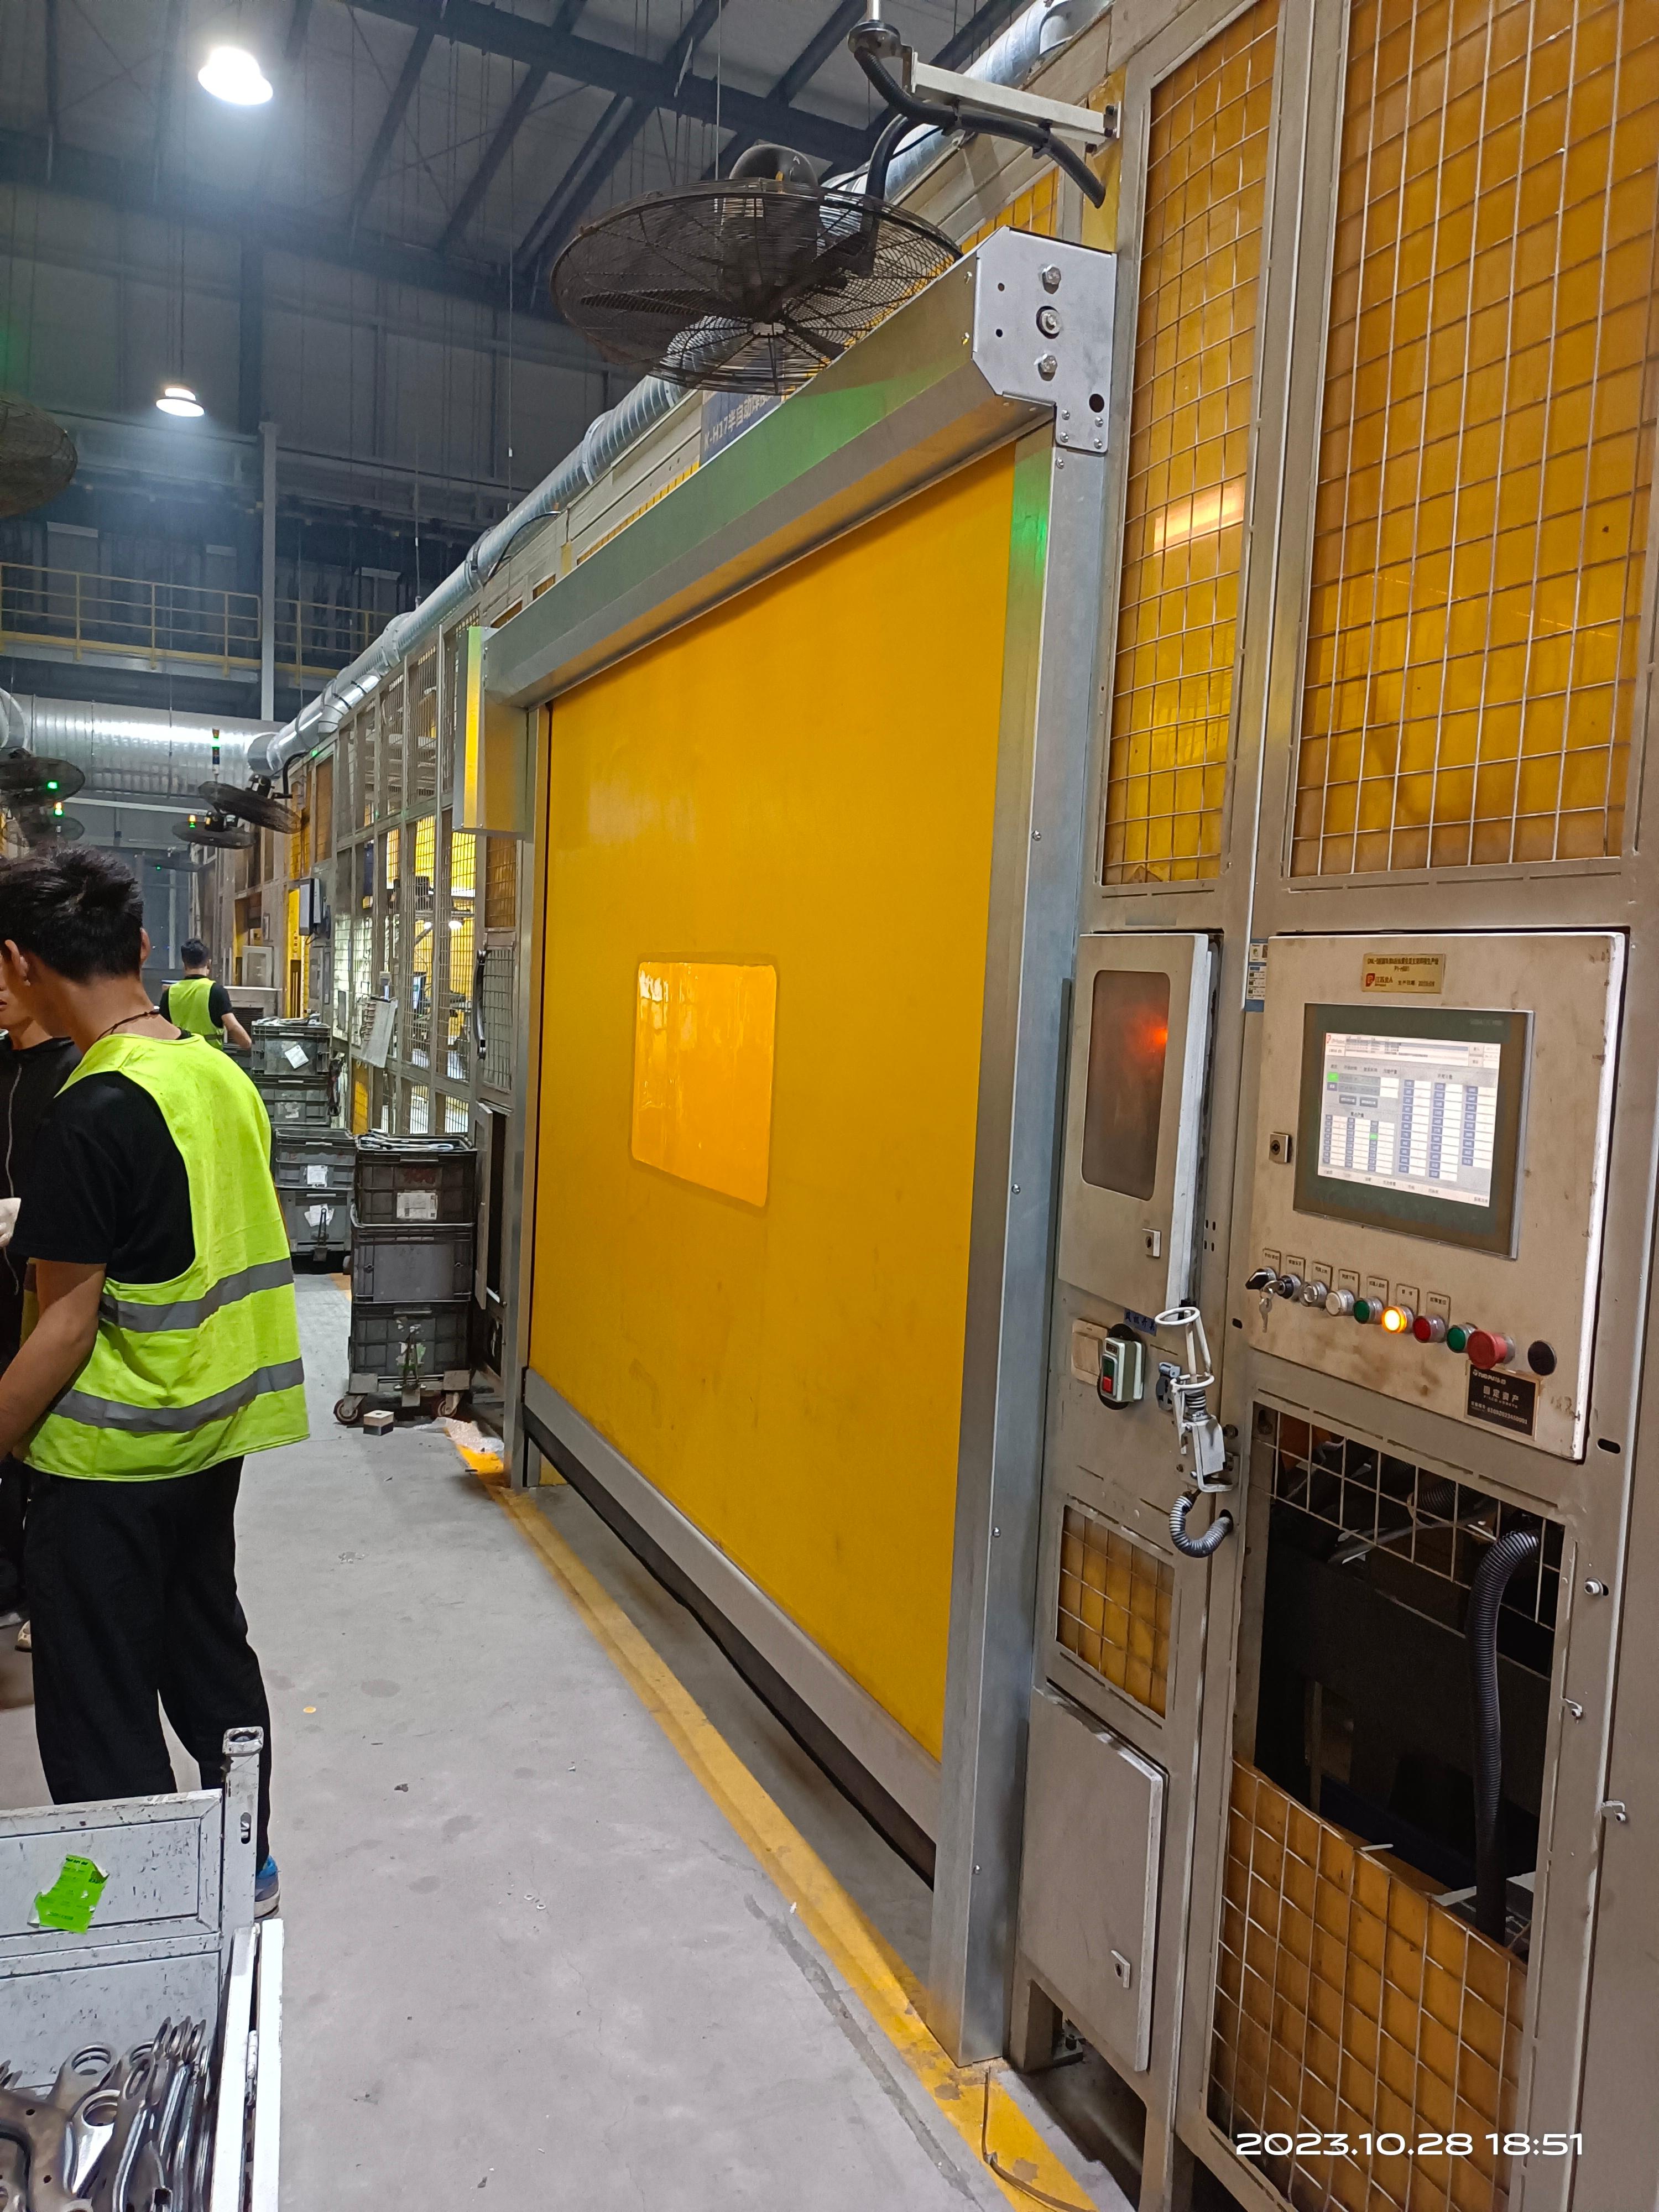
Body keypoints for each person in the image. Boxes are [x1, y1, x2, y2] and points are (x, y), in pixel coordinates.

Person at [0, 849, 307, 1917]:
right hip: (208, 1441)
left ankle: (140, 1911)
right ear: (138, 945)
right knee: (208, 1655)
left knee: (97, 1703)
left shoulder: (90, 1110)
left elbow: (64, 1326)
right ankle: (247, 1865)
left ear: (21, 963)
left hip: (104, 1459)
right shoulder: (217, 1076)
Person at [0, 975, 79, 1650]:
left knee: (39, 1440)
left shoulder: (80, 1075)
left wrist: (31, 1216)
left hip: (53, 1292)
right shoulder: (6, 1070)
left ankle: (43, 1590)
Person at [159, 940, 253, 1051]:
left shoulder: (170, 993)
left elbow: (162, 1029)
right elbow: (232, 1027)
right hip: (210, 1056)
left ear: (184, 965)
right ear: (208, 964)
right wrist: (248, 1044)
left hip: (179, 1057)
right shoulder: (216, 991)